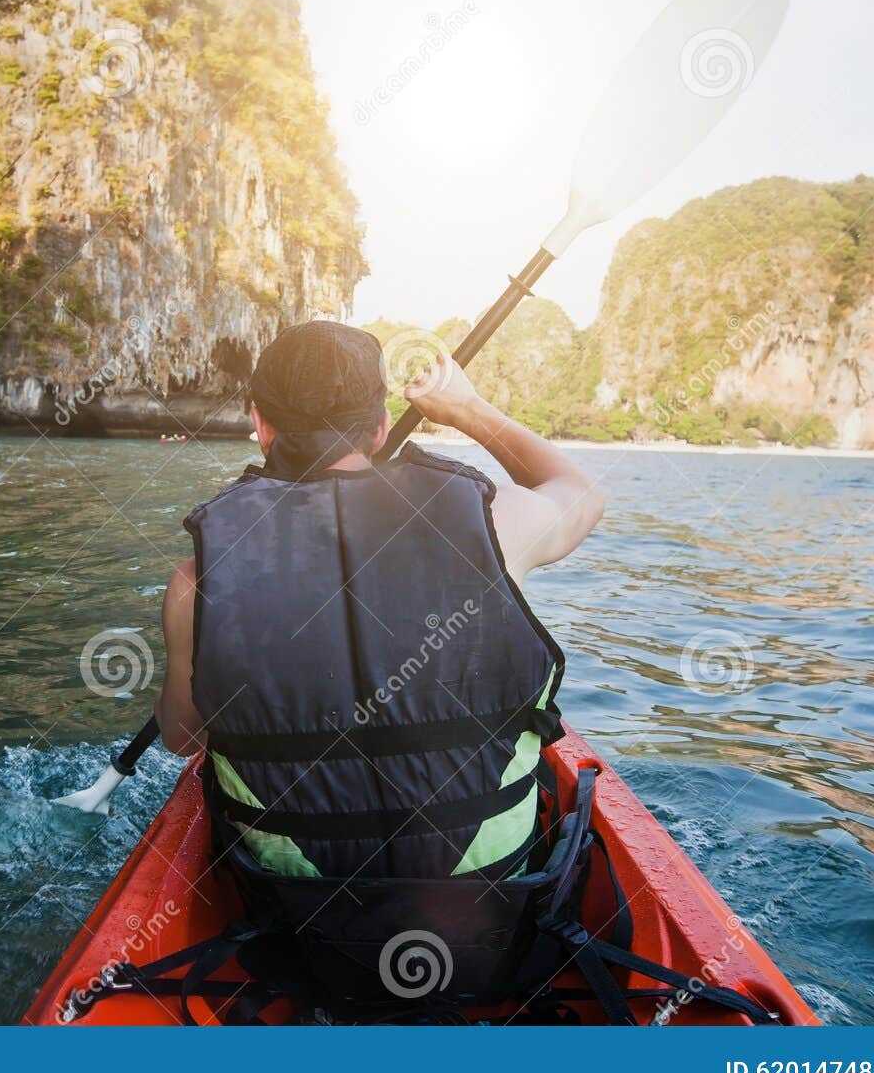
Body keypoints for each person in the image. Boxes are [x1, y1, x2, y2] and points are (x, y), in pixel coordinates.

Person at [155, 321, 605, 881]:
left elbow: (183, 738)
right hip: (493, 903)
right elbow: (582, 491)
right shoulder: (495, 524)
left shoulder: (196, 581)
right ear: (381, 427)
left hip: (296, 917)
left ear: (260, 426)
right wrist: (466, 409)